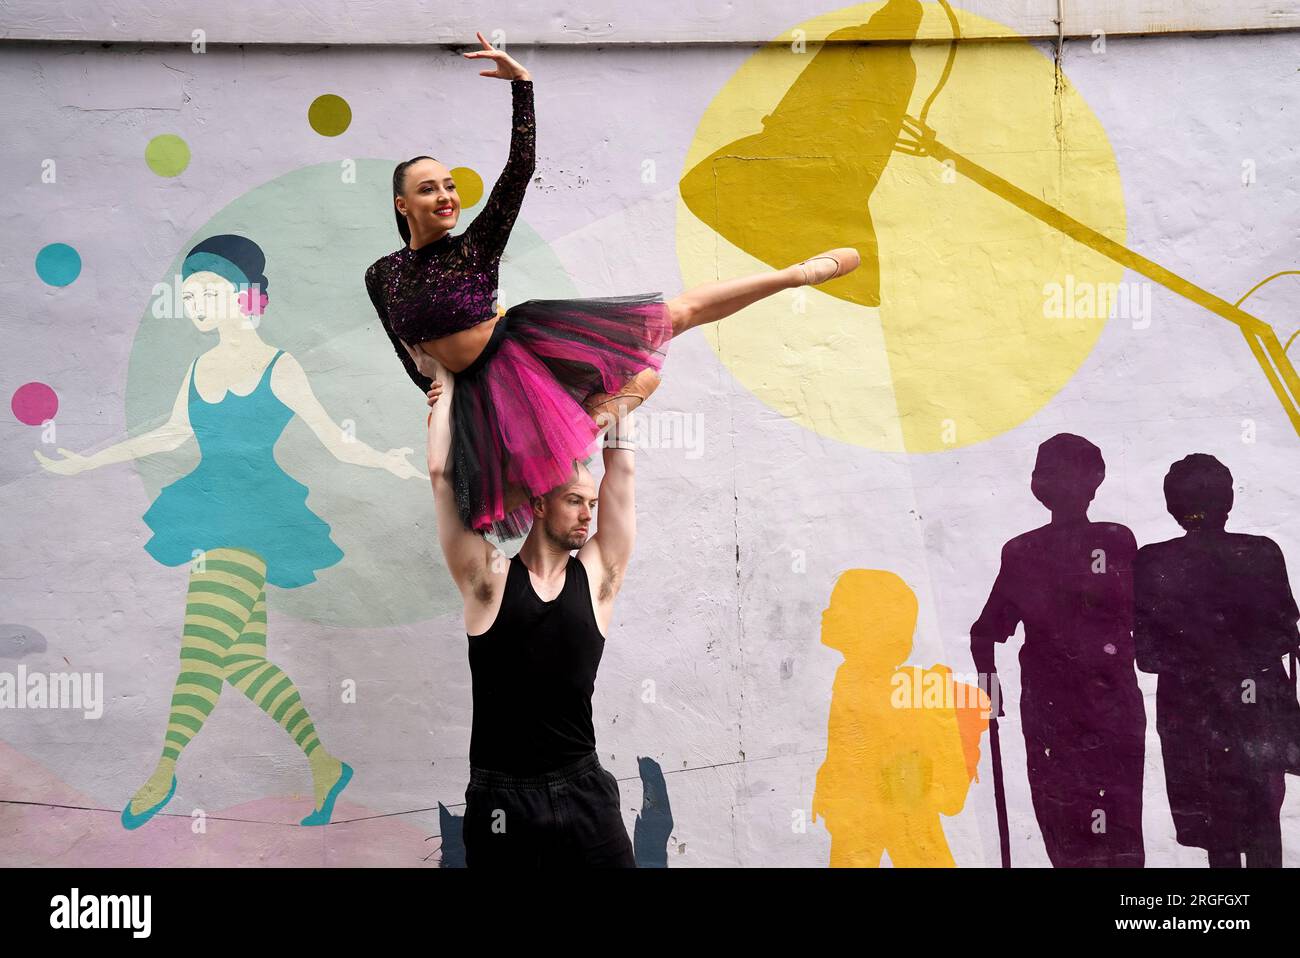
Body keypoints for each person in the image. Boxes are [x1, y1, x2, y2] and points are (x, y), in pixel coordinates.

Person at [366, 30, 860, 540]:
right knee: (484, 509)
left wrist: (523, 86)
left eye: (449, 186)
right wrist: (430, 388)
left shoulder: (475, 247)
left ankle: (795, 274)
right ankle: (602, 416)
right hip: (470, 394)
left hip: (517, 355)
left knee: (678, 315)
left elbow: (520, 170)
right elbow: (404, 348)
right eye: (428, 189)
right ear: (403, 204)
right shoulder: (381, 274)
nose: (445, 196)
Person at [36, 234, 424, 828]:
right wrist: (88, 462)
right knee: (242, 661)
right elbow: (169, 434)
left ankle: (162, 771)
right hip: (207, 510)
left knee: (199, 648)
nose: (194, 304)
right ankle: (324, 765)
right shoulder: (198, 367)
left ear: (243, 296)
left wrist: (387, 460)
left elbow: (333, 438)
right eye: (188, 295)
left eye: (207, 292)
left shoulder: (279, 365)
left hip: (252, 519)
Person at [424, 353, 643, 866]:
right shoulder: (489, 582)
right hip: (503, 806)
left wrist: (621, 383)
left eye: (591, 503)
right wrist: (446, 383)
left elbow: (623, 471)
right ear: (540, 503)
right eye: (574, 501)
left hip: (585, 793)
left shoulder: (598, 581)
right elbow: (441, 475)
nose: (588, 514)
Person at [970, 433, 1146, 866]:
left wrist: (990, 692)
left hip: (1071, 707)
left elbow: (983, 635)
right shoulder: (1113, 539)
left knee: (1074, 826)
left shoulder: (1027, 551)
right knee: (1107, 825)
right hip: (1095, 705)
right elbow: (984, 632)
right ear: (1096, 481)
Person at [1135, 453, 1300, 868]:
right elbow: (1286, 633)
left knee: (1219, 834)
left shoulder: (1153, 561)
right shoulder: (1261, 551)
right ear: (1228, 500)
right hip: (1255, 710)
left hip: (1194, 714)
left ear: (1173, 506)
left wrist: (1202, 660)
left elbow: (1149, 656)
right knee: (1263, 824)